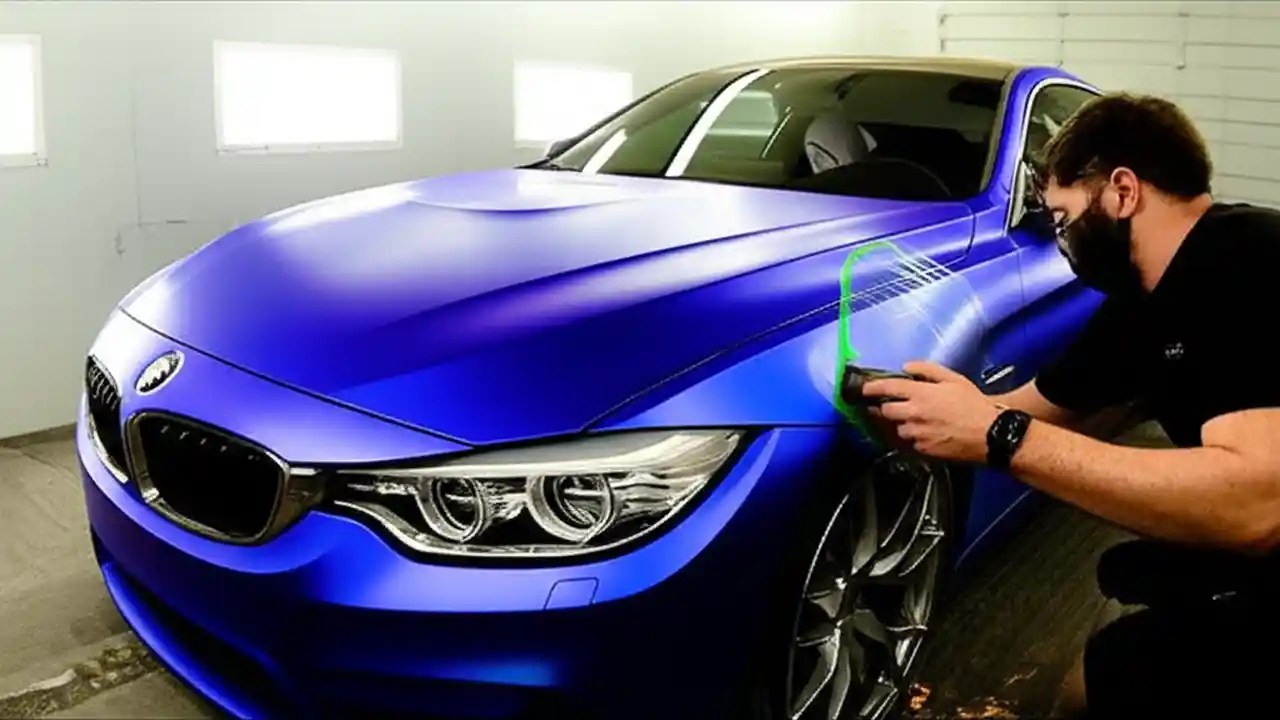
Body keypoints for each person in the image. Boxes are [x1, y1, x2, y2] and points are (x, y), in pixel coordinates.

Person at [860, 91, 1280, 718]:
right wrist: (931, 411)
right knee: (1096, 675)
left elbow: (1257, 502)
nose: (1061, 240)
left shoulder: (1248, 261)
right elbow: (1025, 410)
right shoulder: (1144, 299)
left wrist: (999, 437)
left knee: (1107, 681)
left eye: (1061, 218)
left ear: (1122, 190)